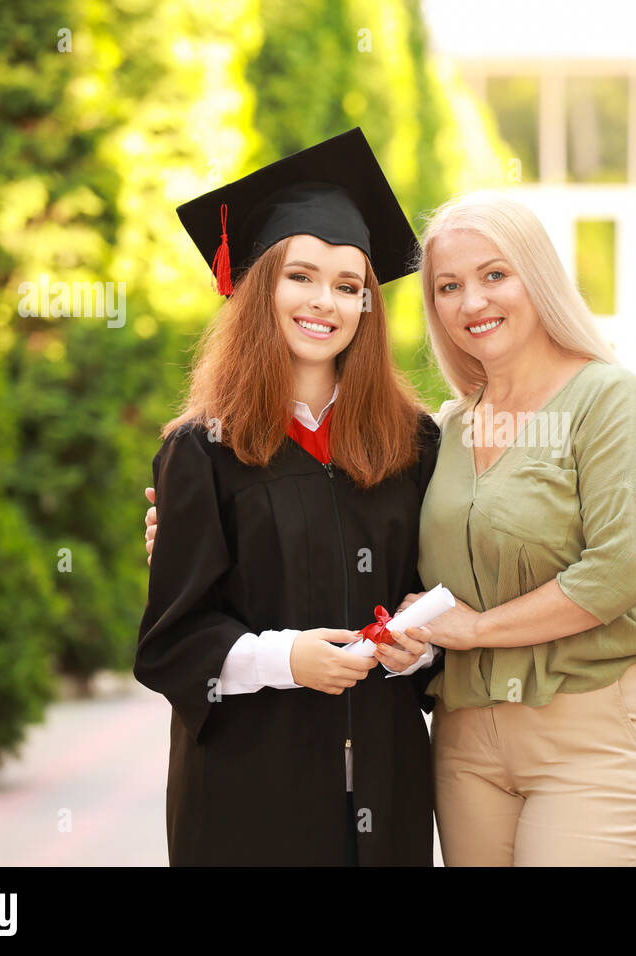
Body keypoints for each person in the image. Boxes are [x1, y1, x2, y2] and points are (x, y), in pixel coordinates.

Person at [135, 128, 441, 866]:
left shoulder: (414, 446)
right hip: (248, 797)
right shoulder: (202, 449)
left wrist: (414, 652)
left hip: (385, 783)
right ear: (257, 284)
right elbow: (172, 643)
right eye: (300, 276)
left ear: (369, 306)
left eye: (348, 285)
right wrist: (284, 660)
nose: (324, 302)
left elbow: (434, 602)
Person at [398, 191, 636, 866]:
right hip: (466, 741)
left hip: (592, 728)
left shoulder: (607, 398)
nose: (473, 302)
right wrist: (207, 531)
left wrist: (474, 630)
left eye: (495, 275)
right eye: (449, 286)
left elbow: (621, 567)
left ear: (539, 278)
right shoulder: (451, 428)